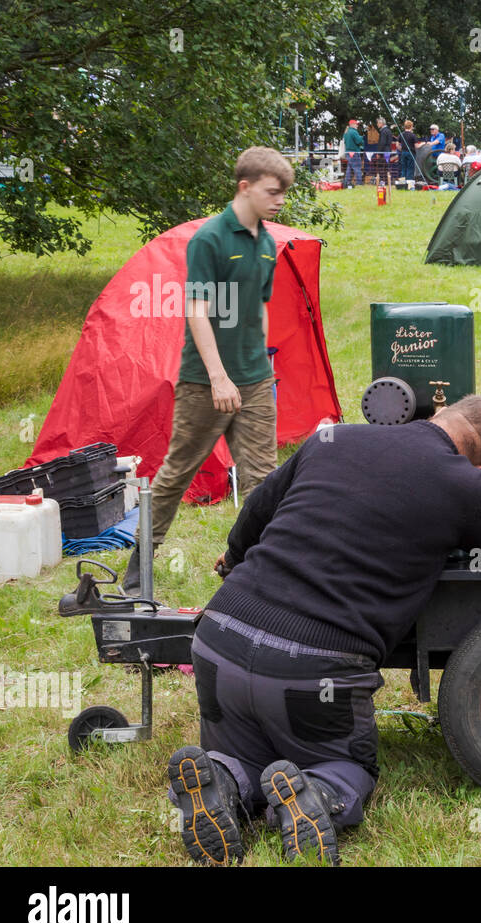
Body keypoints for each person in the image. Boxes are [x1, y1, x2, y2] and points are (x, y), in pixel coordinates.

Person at [166, 396, 481, 866]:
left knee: (244, 756)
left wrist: (234, 559)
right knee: (347, 764)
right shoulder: (465, 484)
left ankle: (220, 779)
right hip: (314, 669)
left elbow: (256, 509)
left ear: (435, 416)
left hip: (220, 640)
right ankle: (319, 792)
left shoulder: (333, 437)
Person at [124, 147, 293, 593]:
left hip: (255, 381)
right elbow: (196, 310)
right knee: (176, 475)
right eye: (272, 192)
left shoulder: (268, 243)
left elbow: (259, 307)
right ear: (245, 187)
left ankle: (257, 575)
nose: (280, 201)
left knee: (265, 482)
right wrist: (219, 376)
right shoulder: (210, 240)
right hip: (204, 382)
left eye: (284, 194)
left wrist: (262, 364)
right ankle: (136, 572)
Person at [342, 119, 364, 188]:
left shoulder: (346, 132)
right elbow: (358, 141)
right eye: (356, 124)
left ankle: (347, 183)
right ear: (352, 125)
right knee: (357, 168)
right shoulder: (354, 132)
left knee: (349, 169)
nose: (357, 125)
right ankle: (359, 183)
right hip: (354, 153)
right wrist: (362, 137)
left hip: (348, 153)